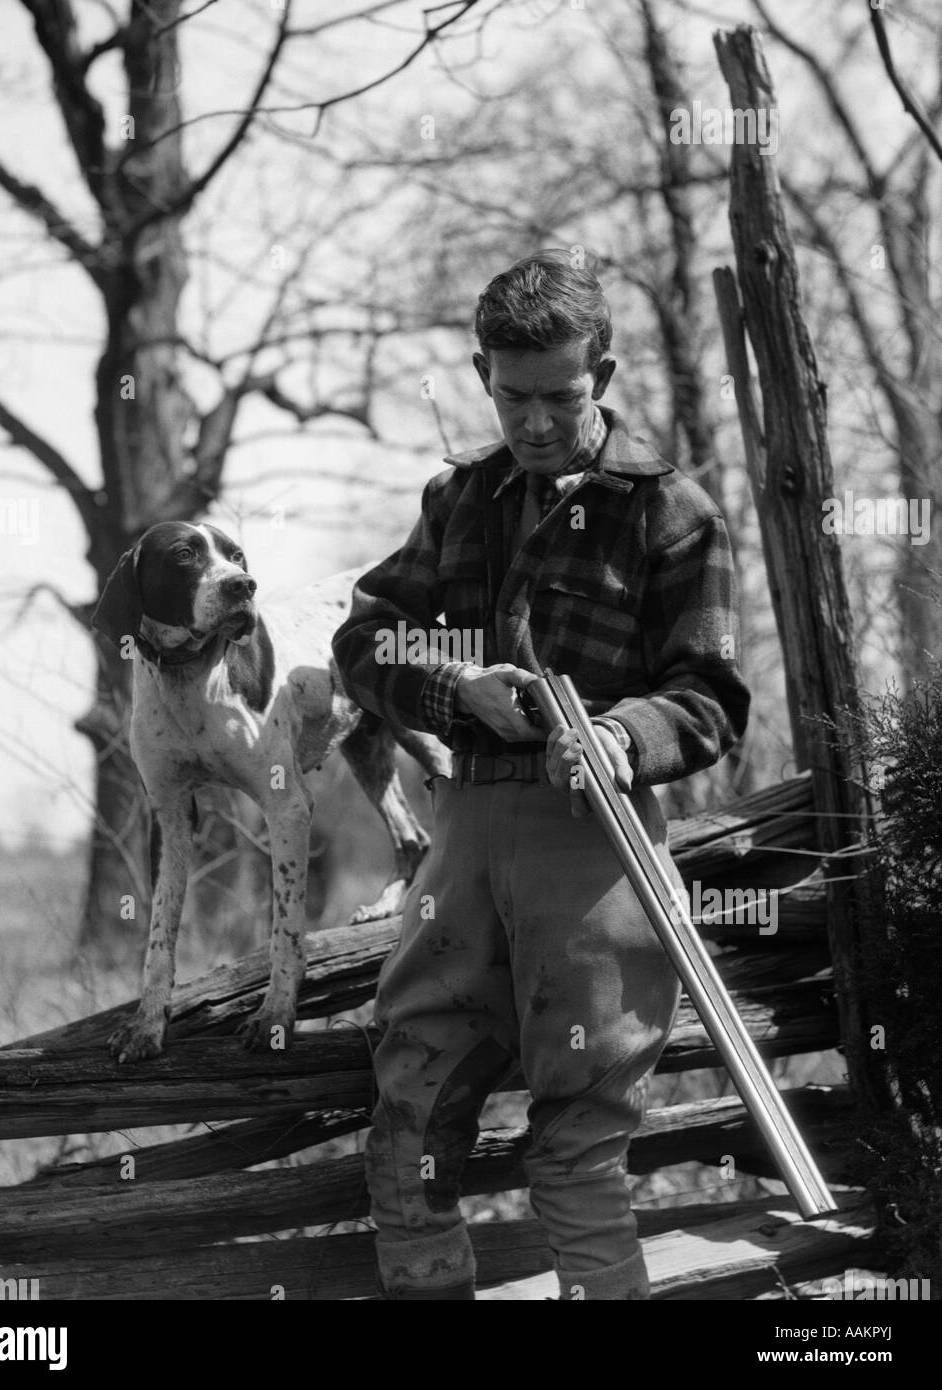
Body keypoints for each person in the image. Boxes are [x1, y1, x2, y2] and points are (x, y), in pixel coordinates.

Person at [331, 248, 750, 1301]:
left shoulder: (673, 513)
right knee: (410, 1120)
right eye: (512, 396)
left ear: (600, 377)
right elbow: (366, 639)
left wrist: (617, 737)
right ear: (482, 375)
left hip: (596, 847)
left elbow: (711, 697)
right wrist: (450, 690)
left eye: (559, 395)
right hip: (464, 833)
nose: (534, 420)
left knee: (578, 1141)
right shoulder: (457, 499)